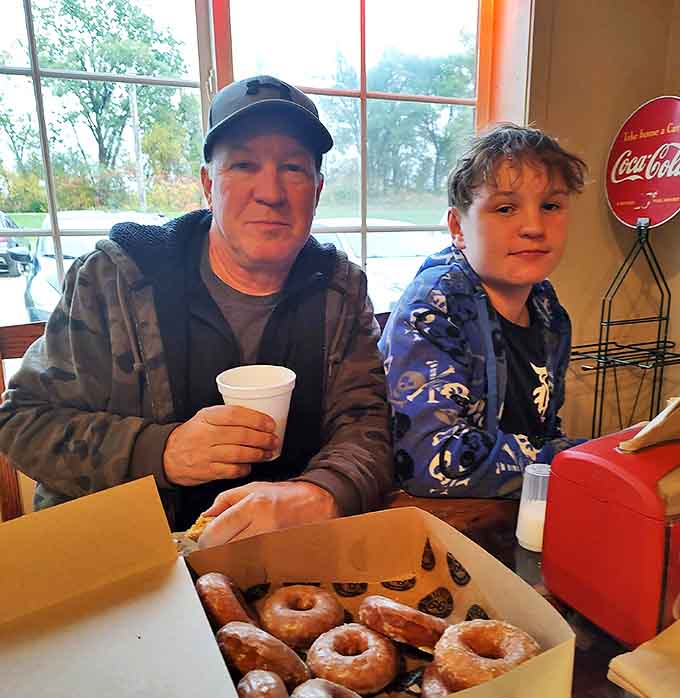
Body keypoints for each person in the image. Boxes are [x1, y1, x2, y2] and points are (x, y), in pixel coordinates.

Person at [0, 75, 392, 547]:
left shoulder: (340, 288)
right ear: (209, 184)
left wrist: (322, 493)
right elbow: (23, 421)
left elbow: (367, 427)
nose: (270, 191)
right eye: (243, 165)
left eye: (293, 168)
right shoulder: (114, 279)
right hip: (129, 563)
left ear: (317, 189)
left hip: (291, 564)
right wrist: (160, 452)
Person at [379, 123, 587, 499]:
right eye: (505, 208)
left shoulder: (548, 310)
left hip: (520, 513)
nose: (534, 227)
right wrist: (581, 460)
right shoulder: (433, 308)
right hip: (441, 528)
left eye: (551, 206)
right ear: (458, 227)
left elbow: (543, 425)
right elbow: (431, 461)